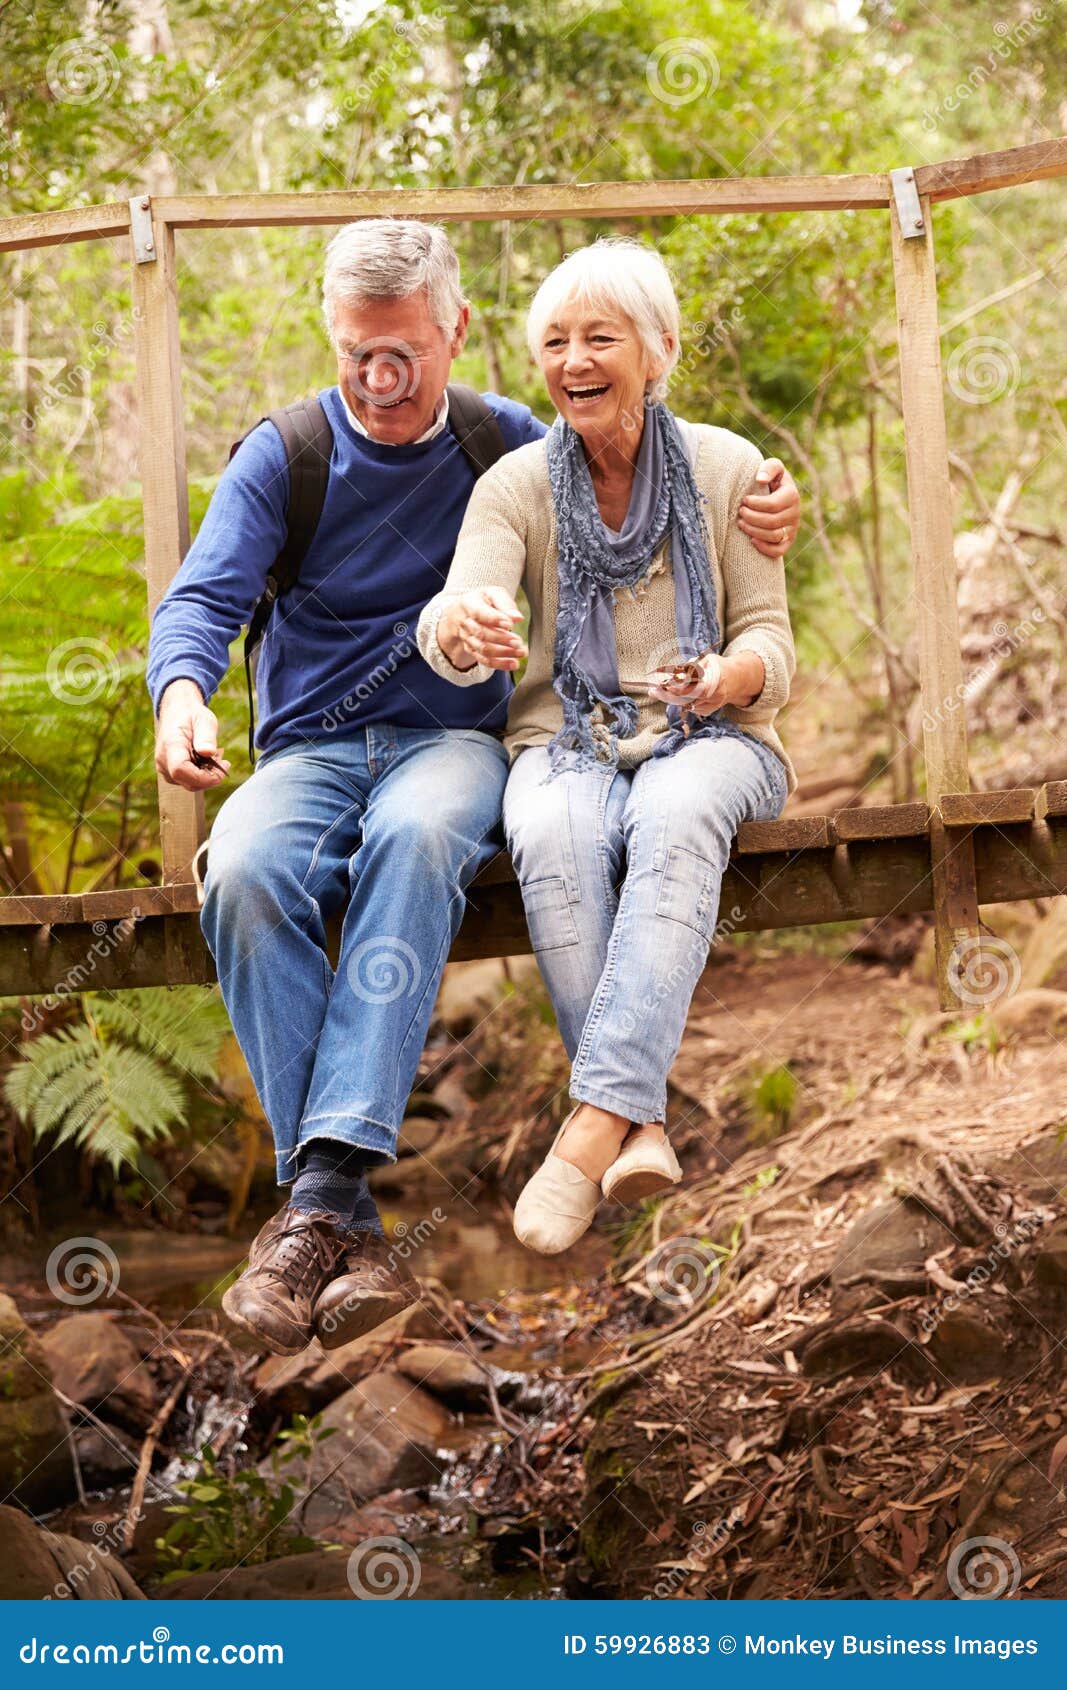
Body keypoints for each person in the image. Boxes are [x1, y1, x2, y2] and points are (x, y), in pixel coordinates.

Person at [148, 221, 801, 1353]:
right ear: (331, 336)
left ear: (453, 332)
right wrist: (182, 698)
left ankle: (312, 1215)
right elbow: (204, 602)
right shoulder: (287, 452)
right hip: (302, 751)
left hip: (448, 745)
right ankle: (337, 1212)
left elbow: (622, 485)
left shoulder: (503, 441)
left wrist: (768, 512)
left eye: (400, 349)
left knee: (415, 838)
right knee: (243, 871)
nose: (378, 376)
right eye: (356, 351)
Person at [418, 238, 796, 1254]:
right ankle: (642, 1118)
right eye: (553, 340)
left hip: (716, 738)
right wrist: (469, 625)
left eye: (599, 336)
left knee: (673, 810)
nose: (573, 358)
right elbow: (461, 605)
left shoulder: (728, 471)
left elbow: (772, 643)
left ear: (658, 350)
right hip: (567, 738)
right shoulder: (514, 485)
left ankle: (587, 1131)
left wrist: (724, 677)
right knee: (547, 824)